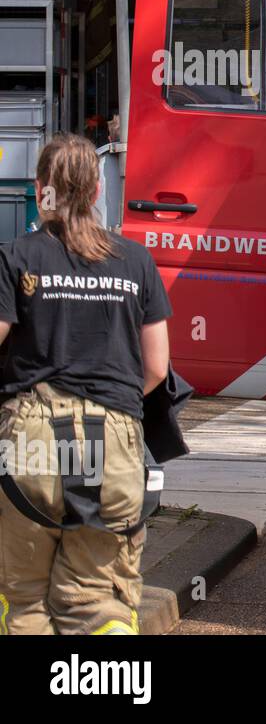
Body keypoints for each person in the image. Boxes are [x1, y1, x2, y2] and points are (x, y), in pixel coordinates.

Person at [0, 134, 171, 635]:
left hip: (30, 444)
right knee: (100, 603)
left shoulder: (16, 258)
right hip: (111, 444)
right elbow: (158, 368)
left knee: (24, 599)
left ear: (40, 190)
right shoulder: (136, 262)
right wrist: (113, 403)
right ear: (98, 191)